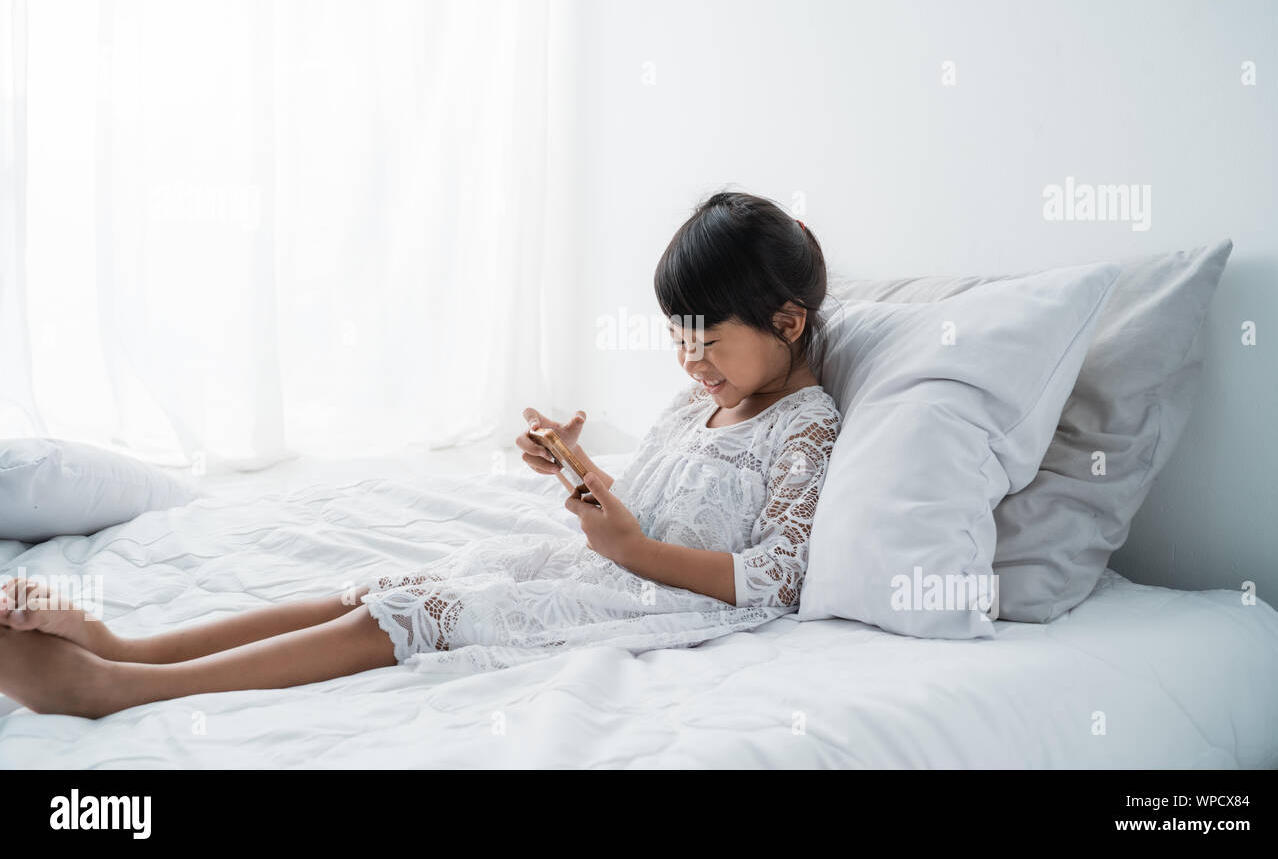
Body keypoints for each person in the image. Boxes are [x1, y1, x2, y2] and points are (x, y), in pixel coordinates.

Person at [0, 191, 842, 718]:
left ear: (788, 324)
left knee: (409, 618)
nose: (691, 364)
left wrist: (631, 550)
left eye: (709, 344)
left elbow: (778, 575)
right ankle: (126, 646)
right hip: (613, 567)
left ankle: (119, 690)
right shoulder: (698, 403)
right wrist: (579, 473)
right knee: (380, 586)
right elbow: (654, 504)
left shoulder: (805, 424)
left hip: (663, 602)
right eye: (676, 341)